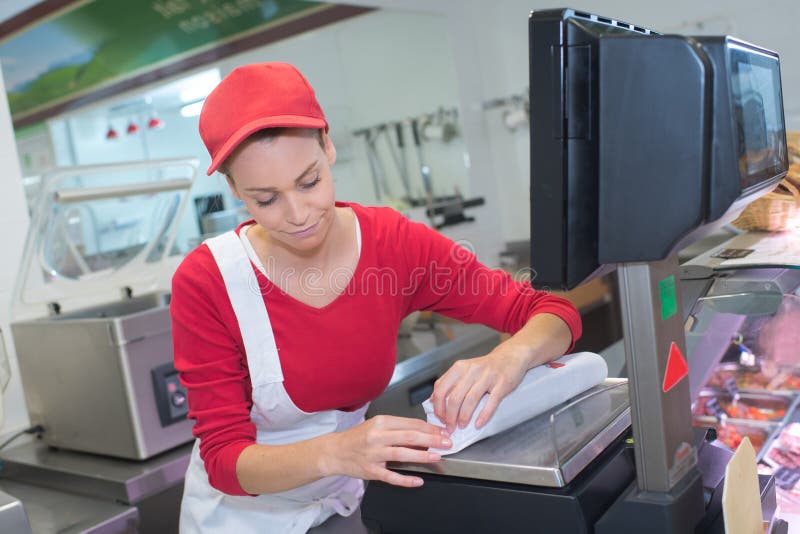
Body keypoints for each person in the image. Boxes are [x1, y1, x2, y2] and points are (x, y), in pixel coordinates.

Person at [171, 62, 582, 533]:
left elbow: (552, 311)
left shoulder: (391, 245)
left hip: (342, 508)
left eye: (309, 182)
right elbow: (224, 459)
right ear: (234, 190)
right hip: (239, 521)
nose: (298, 213)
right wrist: (338, 452)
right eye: (266, 200)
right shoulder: (208, 282)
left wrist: (508, 358)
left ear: (328, 146)